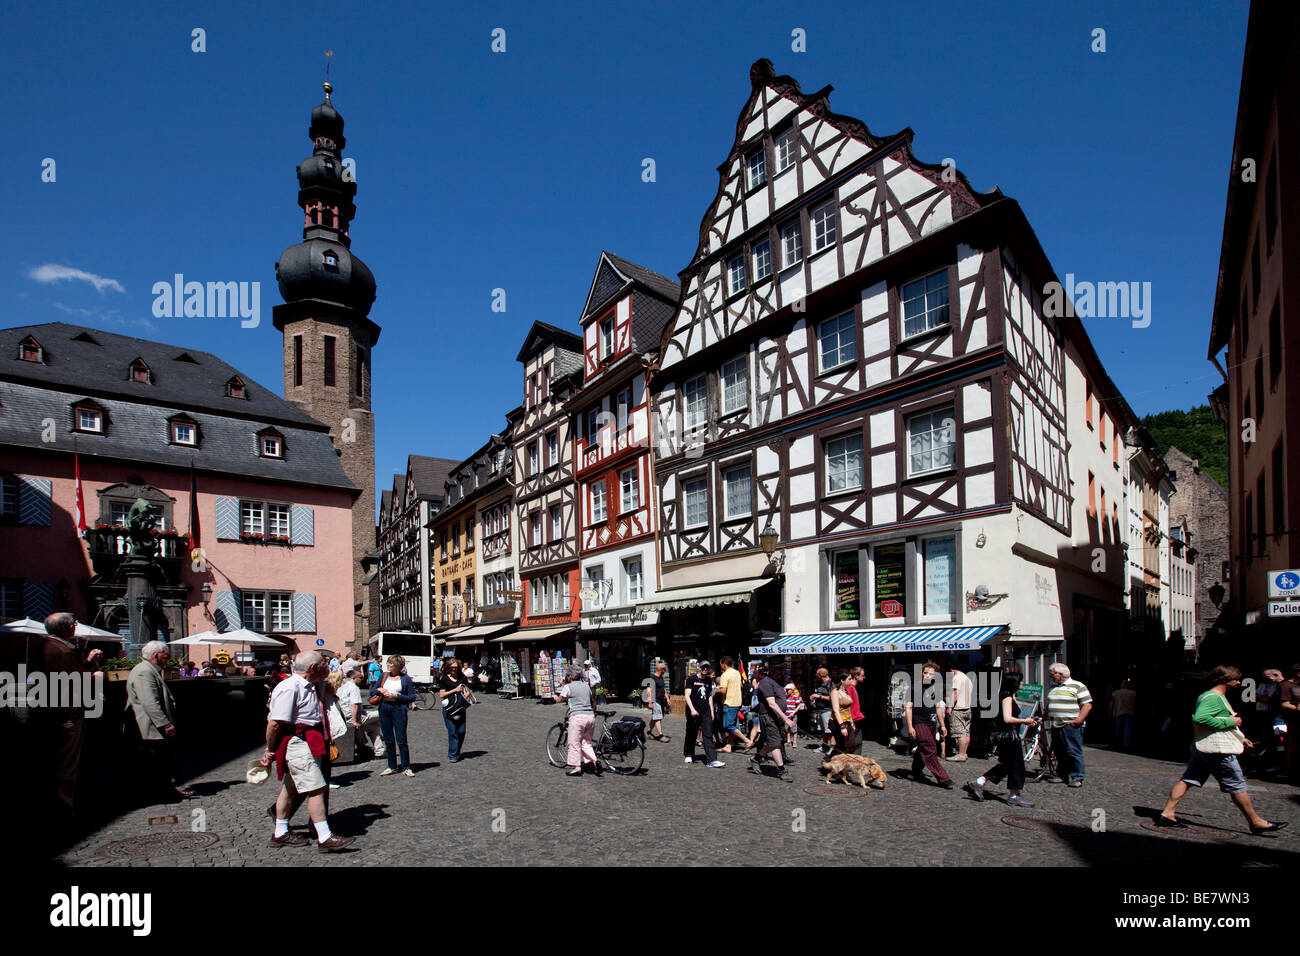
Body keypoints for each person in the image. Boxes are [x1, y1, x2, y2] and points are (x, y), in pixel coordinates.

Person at [1158, 666, 1287, 836]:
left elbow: (1215, 720)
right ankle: (1256, 822)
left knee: (1189, 779)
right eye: (1236, 679)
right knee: (1237, 784)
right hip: (1216, 750)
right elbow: (1201, 718)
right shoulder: (1214, 698)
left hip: (1203, 746)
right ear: (1225, 680)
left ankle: (1167, 813)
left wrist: (1240, 737)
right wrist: (1231, 722)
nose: (1239, 682)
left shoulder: (1210, 696)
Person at [259, 651, 353, 851]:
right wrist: (269, 750)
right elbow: (274, 724)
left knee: (290, 788)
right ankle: (324, 837)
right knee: (317, 788)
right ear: (313, 668)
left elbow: (327, 686)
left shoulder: (312, 685)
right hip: (298, 742)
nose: (327, 667)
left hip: (308, 742)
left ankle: (280, 832)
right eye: (323, 664)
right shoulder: (290, 688)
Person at [37, 611, 103, 815]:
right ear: (68, 628)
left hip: (51, 709)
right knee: (67, 761)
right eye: (74, 623)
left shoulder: (44, 646)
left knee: (55, 758)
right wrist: (95, 674)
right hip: (68, 712)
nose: (76, 626)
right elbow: (77, 682)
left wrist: (86, 662)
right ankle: (64, 804)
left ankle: (57, 801)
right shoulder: (61, 651)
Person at [127, 641, 191, 801]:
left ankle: (165, 790)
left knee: (162, 761)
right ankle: (161, 793)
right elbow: (150, 701)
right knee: (158, 762)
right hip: (151, 727)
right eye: (166, 654)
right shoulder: (144, 672)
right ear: (156, 655)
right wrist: (165, 724)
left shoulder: (149, 670)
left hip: (153, 726)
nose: (168, 658)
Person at [965, 672, 1038, 807]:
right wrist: (1025, 721)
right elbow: (1007, 718)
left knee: (1007, 765)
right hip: (1008, 736)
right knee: (1016, 765)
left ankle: (980, 782)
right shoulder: (1006, 697)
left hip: (1008, 735)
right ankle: (1014, 795)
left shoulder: (1008, 696)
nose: (1022, 684)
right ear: (1014, 683)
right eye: (1020, 682)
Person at [905, 662, 953, 788]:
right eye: (925, 673)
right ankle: (943, 778)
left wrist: (942, 725)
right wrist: (910, 726)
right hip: (919, 722)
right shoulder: (914, 688)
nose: (927, 676)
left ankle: (915, 772)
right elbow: (909, 708)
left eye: (931, 674)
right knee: (930, 747)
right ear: (921, 673)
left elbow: (938, 708)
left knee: (923, 748)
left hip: (931, 722)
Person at [1045, 663, 1092, 787]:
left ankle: (1077, 776)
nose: (1050, 677)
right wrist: (1044, 716)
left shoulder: (1078, 686)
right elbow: (1049, 705)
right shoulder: (1053, 687)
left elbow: (1087, 705)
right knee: (1060, 751)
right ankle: (1062, 774)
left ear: (1060, 674)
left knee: (1073, 751)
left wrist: (1078, 720)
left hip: (1070, 725)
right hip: (1056, 724)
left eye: (1052, 674)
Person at [748, 663, 795, 781]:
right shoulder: (765, 683)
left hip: (775, 718)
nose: (781, 672)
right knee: (775, 743)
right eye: (778, 670)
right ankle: (782, 770)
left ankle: (757, 758)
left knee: (774, 742)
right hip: (768, 717)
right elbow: (772, 703)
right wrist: (786, 719)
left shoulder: (774, 683)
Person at [372, 655, 415, 776]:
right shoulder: (384, 676)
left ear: (397, 665)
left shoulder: (405, 679)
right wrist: (380, 690)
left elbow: (412, 697)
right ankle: (391, 766)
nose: (388, 665)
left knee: (401, 739)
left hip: (399, 709)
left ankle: (406, 766)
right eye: (388, 663)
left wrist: (397, 696)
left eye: (391, 663)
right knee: (389, 739)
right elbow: (373, 691)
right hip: (384, 708)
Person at [553, 662, 599, 776]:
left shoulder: (568, 687)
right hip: (590, 717)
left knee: (574, 743)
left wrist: (554, 697)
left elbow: (560, 699)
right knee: (586, 743)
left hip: (577, 717)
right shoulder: (586, 686)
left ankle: (577, 767)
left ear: (569, 676)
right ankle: (594, 761)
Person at [339, 661, 384, 759]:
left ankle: (373, 749)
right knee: (384, 713)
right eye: (361, 678)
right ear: (354, 678)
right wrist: (355, 721)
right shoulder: (354, 688)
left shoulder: (342, 687)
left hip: (346, 716)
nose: (362, 679)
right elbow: (354, 705)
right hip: (356, 716)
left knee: (374, 726)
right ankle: (375, 749)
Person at [684, 661, 724, 768]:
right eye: (703, 667)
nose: (705, 669)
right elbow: (687, 695)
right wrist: (692, 709)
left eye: (707, 667)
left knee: (708, 733)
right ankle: (688, 753)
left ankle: (712, 760)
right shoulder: (692, 679)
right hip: (693, 710)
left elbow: (709, 696)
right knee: (691, 733)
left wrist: (711, 711)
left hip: (705, 711)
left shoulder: (708, 681)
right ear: (699, 667)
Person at [438, 657, 472, 762]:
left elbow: (468, 690)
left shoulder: (462, 678)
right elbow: (442, 694)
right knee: (452, 732)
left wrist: (466, 695)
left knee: (461, 731)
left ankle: (457, 751)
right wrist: (455, 690)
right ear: (448, 668)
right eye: (452, 668)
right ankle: (453, 755)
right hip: (449, 709)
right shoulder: (444, 679)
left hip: (460, 708)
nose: (454, 669)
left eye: (456, 668)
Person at [713, 657, 750, 753]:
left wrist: (716, 689)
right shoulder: (737, 673)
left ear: (724, 664)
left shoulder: (725, 675)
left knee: (729, 726)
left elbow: (723, 690)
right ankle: (728, 745)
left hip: (729, 702)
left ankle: (747, 741)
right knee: (733, 725)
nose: (720, 666)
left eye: (720, 664)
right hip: (737, 701)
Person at [945, 664, 974, 761]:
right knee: (966, 732)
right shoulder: (967, 678)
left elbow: (955, 692)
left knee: (960, 733)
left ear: (951, 670)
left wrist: (950, 706)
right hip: (968, 708)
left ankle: (961, 754)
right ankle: (964, 753)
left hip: (958, 709)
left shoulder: (956, 678)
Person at [1280, 664, 1300, 781]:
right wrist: (1297, 707)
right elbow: (1284, 704)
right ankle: (1291, 770)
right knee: (1294, 744)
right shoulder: (1286, 685)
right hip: (1294, 720)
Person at [829, 673, 856, 755]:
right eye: (850, 679)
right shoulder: (835, 692)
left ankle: (836, 762)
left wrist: (851, 722)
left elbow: (848, 709)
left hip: (847, 721)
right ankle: (830, 761)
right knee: (844, 747)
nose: (852, 680)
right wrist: (842, 726)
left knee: (850, 746)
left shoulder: (845, 691)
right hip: (838, 722)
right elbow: (836, 710)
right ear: (842, 680)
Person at [810, 667, 834, 755]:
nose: (816, 676)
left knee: (830, 730)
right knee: (824, 730)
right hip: (821, 710)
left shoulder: (830, 684)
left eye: (817, 674)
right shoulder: (822, 684)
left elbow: (833, 698)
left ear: (820, 675)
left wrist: (819, 696)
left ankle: (832, 748)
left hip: (827, 710)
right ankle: (824, 746)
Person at [1109, 679, 1138, 752]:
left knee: (1118, 729)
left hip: (1118, 712)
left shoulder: (1115, 693)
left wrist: (1110, 712)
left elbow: (1111, 704)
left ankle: (1117, 744)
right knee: (1128, 730)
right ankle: (1127, 745)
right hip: (1129, 712)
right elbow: (1136, 703)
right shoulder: (1133, 693)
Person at [647, 661, 671, 742]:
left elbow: (663, 689)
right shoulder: (652, 678)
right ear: (661, 669)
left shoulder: (661, 677)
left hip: (661, 701)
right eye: (665, 669)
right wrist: (650, 702)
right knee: (658, 718)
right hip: (655, 700)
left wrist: (667, 698)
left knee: (655, 717)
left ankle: (649, 732)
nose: (665, 671)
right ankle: (661, 735)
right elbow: (649, 691)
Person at [784, 681, 804, 749]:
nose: (786, 691)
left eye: (788, 690)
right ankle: (788, 740)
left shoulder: (795, 696)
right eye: (786, 690)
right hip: (787, 714)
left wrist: (794, 712)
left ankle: (794, 741)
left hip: (793, 714)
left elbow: (799, 705)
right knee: (787, 728)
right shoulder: (785, 697)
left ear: (792, 690)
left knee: (794, 728)